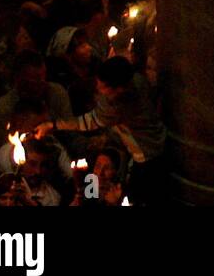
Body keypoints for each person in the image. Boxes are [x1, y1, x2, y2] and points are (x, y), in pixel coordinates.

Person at [33, 56, 166, 205]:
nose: (98, 89)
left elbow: (89, 122)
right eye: (97, 167)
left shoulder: (119, 105)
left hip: (148, 157)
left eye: (103, 87)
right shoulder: (137, 80)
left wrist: (52, 125)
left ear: (119, 89)